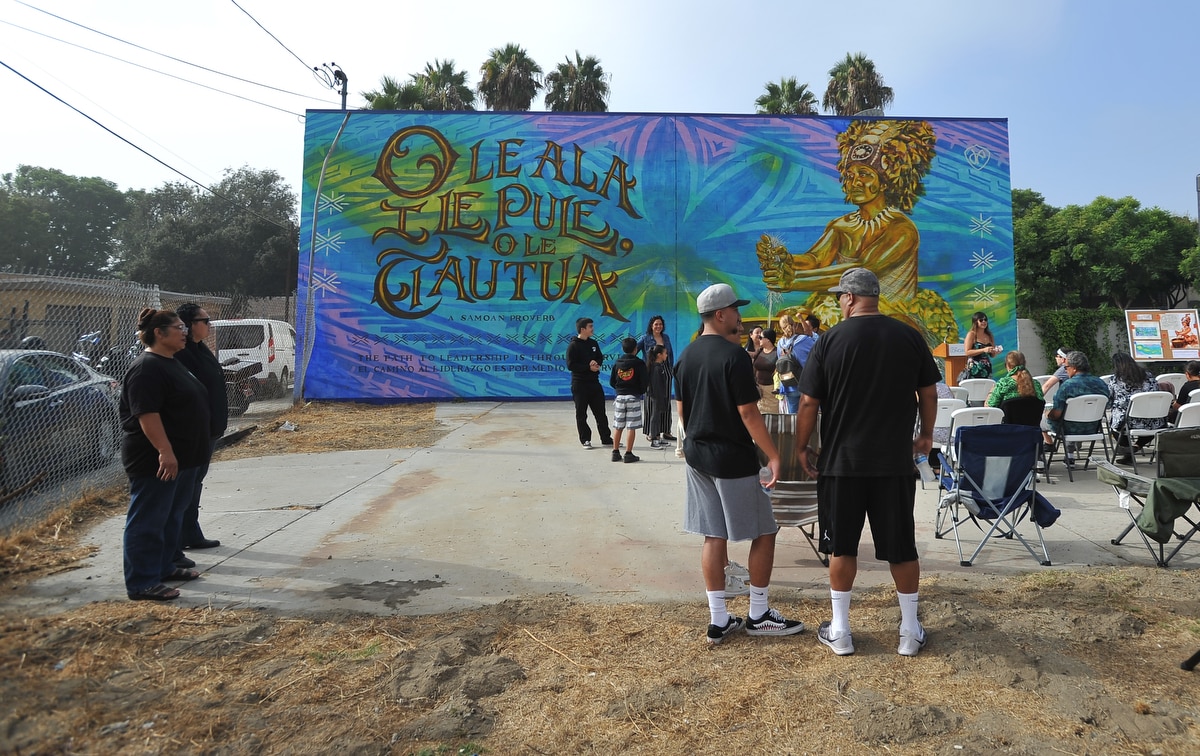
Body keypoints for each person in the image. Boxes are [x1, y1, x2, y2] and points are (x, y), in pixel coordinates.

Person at [793, 268, 940, 657]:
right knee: (902, 547)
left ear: (849, 298)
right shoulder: (909, 336)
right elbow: (928, 391)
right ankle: (909, 631)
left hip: (842, 463)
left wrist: (802, 446)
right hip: (894, 461)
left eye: (839, 296)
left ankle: (841, 630)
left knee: (842, 547)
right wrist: (926, 434)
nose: (839, 302)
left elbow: (808, 402)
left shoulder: (829, 341)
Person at [674, 282, 803, 644]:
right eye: (735, 310)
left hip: (698, 456)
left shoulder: (686, 355)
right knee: (765, 531)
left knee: (713, 534)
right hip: (732, 457)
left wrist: (697, 439)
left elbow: (682, 411)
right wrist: (774, 455)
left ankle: (718, 619)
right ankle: (758, 614)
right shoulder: (733, 357)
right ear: (720, 315)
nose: (739, 316)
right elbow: (748, 413)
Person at [755, 120, 955, 344]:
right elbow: (816, 259)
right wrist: (784, 260)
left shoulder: (902, 229)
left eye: (864, 174)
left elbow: (862, 270)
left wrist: (793, 280)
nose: (855, 182)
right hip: (849, 308)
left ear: (885, 181)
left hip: (889, 319)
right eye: (850, 175)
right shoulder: (840, 225)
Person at [120, 308, 210, 601]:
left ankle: (164, 566)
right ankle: (142, 582)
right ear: (159, 333)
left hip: (183, 458)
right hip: (156, 461)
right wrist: (165, 451)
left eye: (185, 327)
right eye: (179, 327)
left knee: (170, 516)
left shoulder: (171, 362)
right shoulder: (146, 368)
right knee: (148, 520)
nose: (185, 332)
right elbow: (147, 414)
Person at [172, 304, 225, 560]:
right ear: (190, 325)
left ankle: (190, 531)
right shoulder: (181, 354)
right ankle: (177, 539)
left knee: (195, 483)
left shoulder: (200, 349)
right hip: (193, 431)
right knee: (185, 486)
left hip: (208, 429)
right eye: (205, 320)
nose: (209, 325)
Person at [1046, 351, 1111, 469]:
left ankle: (1039, 461)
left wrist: (1047, 414)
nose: (1065, 370)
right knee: (1070, 417)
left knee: (1040, 422)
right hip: (1093, 428)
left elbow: (1056, 414)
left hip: (1068, 429)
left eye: (1066, 367)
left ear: (1074, 368)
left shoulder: (1067, 386)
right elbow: (1108, 404)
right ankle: (1069, 455)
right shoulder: (1101, 384)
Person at [1108, 352, 1165, 464]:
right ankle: (1137, 446)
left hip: (1128, 422)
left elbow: (1110, 402)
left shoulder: (1115, 380)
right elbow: (1156, 393)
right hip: (1152, 420)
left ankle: (1128, 453)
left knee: (1115, 424)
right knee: (1155, 428)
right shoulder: (1149, 376)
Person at [566, 317, 613, 450]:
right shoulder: (573, 345)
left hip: (594, 383)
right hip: (580, 384)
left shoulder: (593, 343)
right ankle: (585, 439)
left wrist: (596, 363)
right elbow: (571, 365)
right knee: (581, 413)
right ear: (583, 329)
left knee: (600, 412)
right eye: (590, 326)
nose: (593, 329)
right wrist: (588, 367)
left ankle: (606, 438)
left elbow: (600, 357)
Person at [636, 315, 676, 444]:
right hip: (652, 372)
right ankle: (651, 432)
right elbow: (634, 350)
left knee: (666, 400)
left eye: (660, 324)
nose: (658, 326)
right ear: (651, 326)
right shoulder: (645, 338)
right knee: (652, 401)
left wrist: (671, 369)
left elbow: (670, 354)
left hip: (666, 371)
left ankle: (666, 430)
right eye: (656, 324)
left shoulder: (666, 337)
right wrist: (642, 368)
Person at [609, 337, 648, 463]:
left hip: (620, 397)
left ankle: (615, 452)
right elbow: (644, 381)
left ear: (623, 349)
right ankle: (628, 453)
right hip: (633, 397)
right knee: (631, 427)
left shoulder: (617, 363)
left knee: (618, 426)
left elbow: (612, 381)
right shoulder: (639, 363)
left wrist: (619, 389)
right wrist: (640, 391)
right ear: (636, 349)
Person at [646, 345, 673, 448]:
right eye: (665, 353)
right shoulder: (656, 368)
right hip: (656, 397)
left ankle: (657, 438)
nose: (666, 355)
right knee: (655, 417)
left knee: (658, 417)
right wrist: (660, 398)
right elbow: (657, 385)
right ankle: (653, 439)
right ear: (659, 355)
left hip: (659, 396)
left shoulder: (659, 366)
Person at [962, 312, 1000, 380]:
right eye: (981, 320)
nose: (984, 322)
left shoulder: (989, 335)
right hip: (974, 368)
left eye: (985, 320)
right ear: (975, 322)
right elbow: (967, 352)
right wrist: (983, 350)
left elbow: (992, 355)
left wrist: (996, 352)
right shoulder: (971, 334)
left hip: (986, 368)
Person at [751, 329, 779, 415]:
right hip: (759, 389)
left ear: (768, 340)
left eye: (761, 337)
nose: (759, 339)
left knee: (772, 415)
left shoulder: (777, 352)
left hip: (771, 390)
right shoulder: (760, 351)